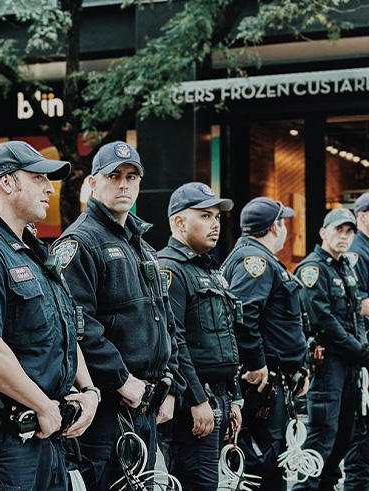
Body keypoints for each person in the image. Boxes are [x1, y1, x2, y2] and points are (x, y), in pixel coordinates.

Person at [0, 141, 99, 491]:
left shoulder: (34, 252)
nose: (49, 188)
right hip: (7, 443)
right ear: (7, 183)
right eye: (38, 178)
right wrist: (43, 405)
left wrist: (88, 391)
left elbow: (64, 335)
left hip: (49, 434)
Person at [51, 141, 183, 491]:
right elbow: (78, 327)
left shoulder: (140, 242)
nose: (124, 184)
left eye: (131, 177)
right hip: (107, 408)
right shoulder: (78, 242)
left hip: (146, 404)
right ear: (93, 184)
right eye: (114, 176)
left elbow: (165, 321)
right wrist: (123, 381)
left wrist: (171, 386)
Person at [156, 182, 243, 491]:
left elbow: (225, 336)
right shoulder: (170, 268)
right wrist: (197, 398)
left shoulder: (209, 269)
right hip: (193, 404)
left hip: (217, 398)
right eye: (205, 216)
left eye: (217, 217)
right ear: (180, 222)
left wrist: (234, 397)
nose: (215, 224)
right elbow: (172, 341)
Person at [221, 197, 309, 491]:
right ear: (275, 227)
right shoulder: (254, 262)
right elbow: (243, 316)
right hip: (263, 386)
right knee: (262, 465)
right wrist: (257, 363)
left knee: (273, 466)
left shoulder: (260, 259)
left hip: (275, 382)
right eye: (283, 222)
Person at [292, 208, 366, 491]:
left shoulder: (345, 266)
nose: (344, 237)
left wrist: (361, 346)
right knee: (322, 437)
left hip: (349, 364)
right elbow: (323, 321)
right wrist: (358, 349)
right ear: (324, 232)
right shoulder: (313, 268)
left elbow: (356, 312)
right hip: (328, 365)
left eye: (349, 232)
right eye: (339, 230)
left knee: (342, 439)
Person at [344, 193, 369, 491]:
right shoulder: (356, 251)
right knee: (360, 437)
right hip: (361, 349)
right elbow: (357, 303)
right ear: (362, 216)